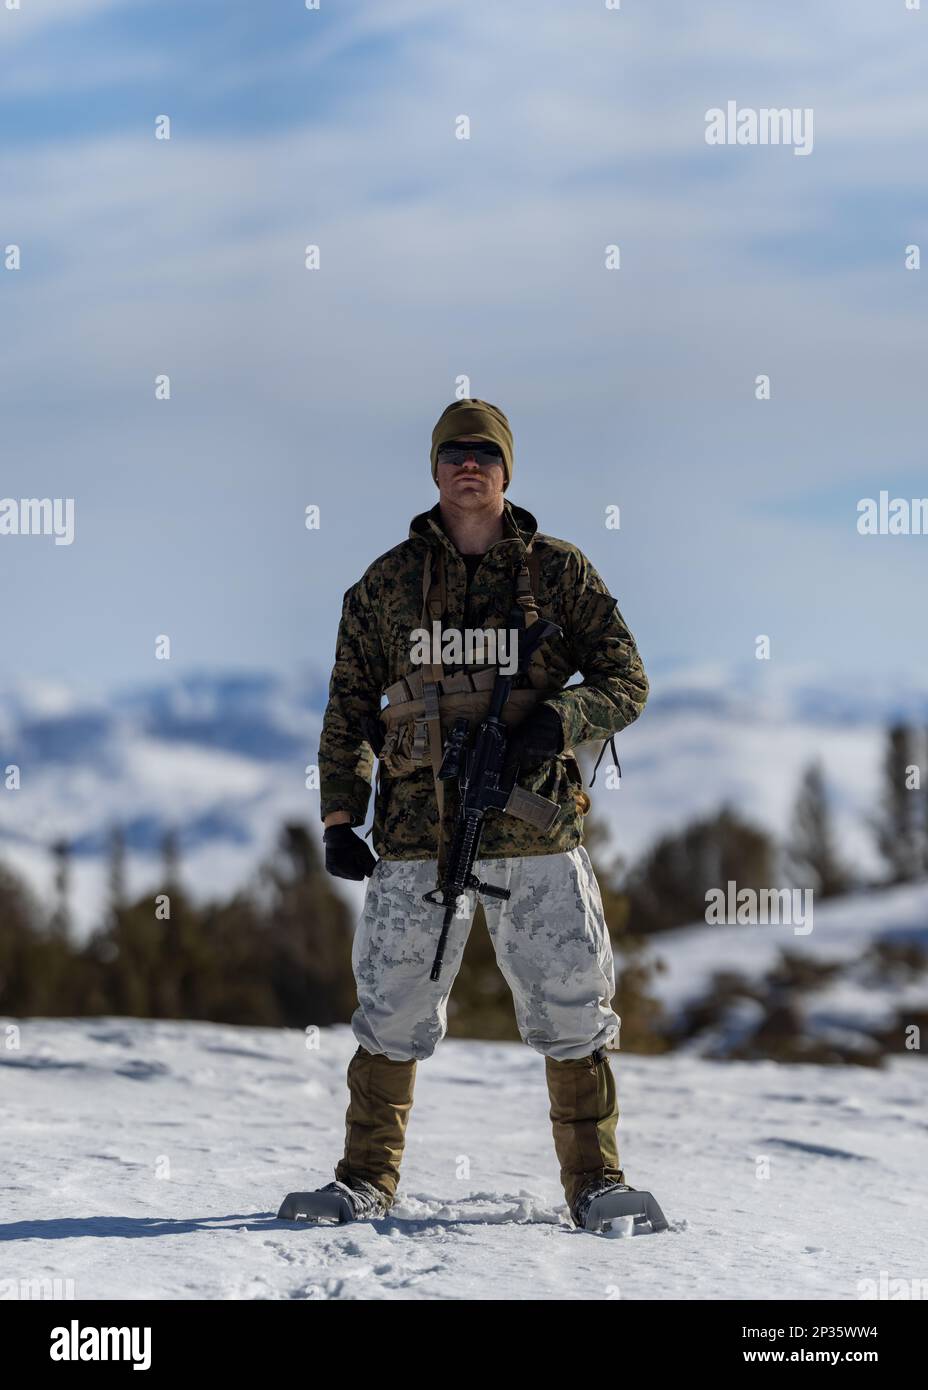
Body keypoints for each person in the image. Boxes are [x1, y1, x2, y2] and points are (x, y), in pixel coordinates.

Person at [312, 398, 648, 1229]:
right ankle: (363, 1179)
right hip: (418, 837)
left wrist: (558, 721)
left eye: (485, 454)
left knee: (573, 1008)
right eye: (455, 452)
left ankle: (596, 1183)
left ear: (507, 470)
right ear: (434, 468)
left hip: (537, 831)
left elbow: (627, 682)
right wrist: (338, 816)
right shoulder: (384, 586)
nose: (470, 465)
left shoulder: (561, 575)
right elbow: (348, 709)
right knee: (390, 1007)